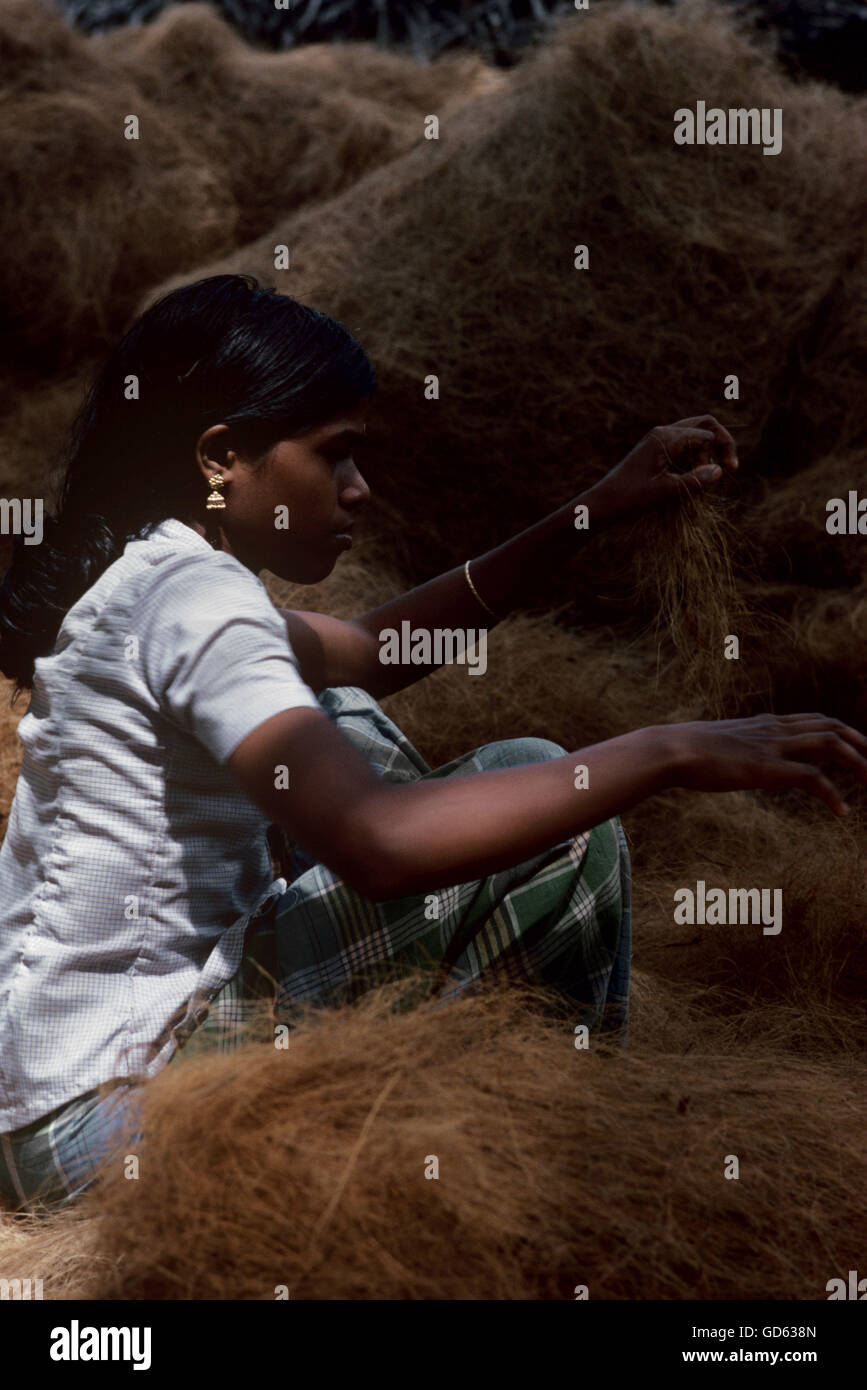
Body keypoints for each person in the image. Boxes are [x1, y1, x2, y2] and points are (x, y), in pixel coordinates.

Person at [0, 274, 864, 1213]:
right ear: (221, 458)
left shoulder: (152, 579)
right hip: (107, 1127)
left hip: (42, 1106)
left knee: (343, 713)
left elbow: (373, 653)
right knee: (555, 816)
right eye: (335, 455)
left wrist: (592, 512)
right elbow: (377, 843)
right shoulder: (194, 601)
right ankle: (539, 1181)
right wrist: (664, 753)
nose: (358, 489)